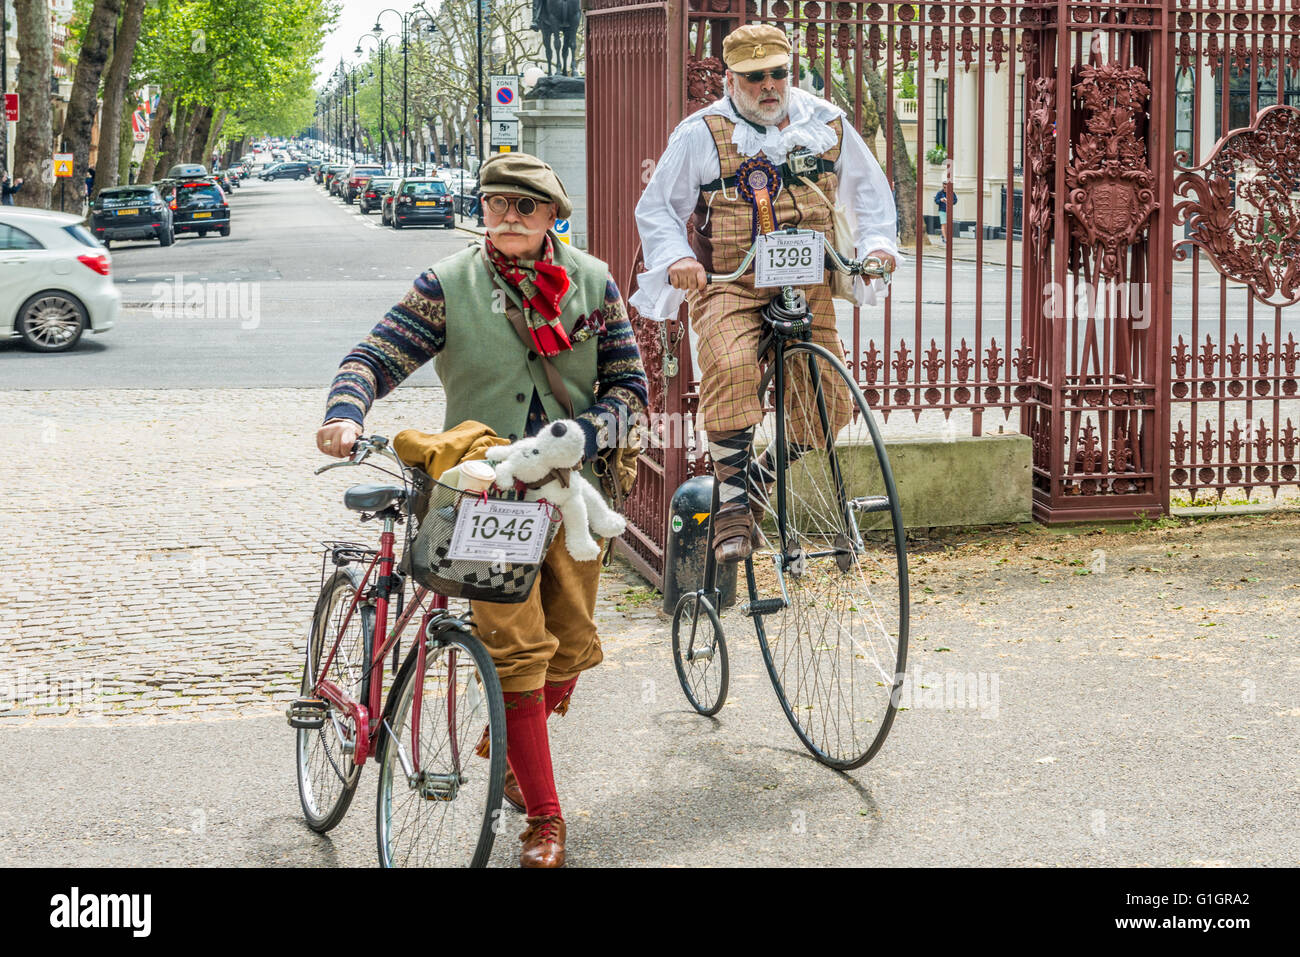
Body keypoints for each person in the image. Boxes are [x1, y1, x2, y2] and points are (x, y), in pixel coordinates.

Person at [317, 152, 648, 868]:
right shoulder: (448, 283)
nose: (504, 217)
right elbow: (374, 354)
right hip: (482, 492)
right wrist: (345, 414)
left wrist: (582, 435)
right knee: (518, 649)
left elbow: (630, 392)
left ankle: (505, 742)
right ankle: (543, 819)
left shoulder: (593, 283)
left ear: (553, 216)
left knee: (572, 644)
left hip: (572, 495)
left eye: (523, 207)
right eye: (495, 203)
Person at [632, 23, 899, 563]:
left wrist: (878, 246)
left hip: (808, 280)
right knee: (730, 369)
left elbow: (871, 194)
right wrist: (678, 259)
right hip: (731, 283)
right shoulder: (700, 132)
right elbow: (657, 208)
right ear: (731, 79)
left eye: (779, 72)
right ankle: (730, 510)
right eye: (755, 77)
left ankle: (754, 480)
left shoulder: (827, 122)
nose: (769, 85)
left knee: (829, 404)